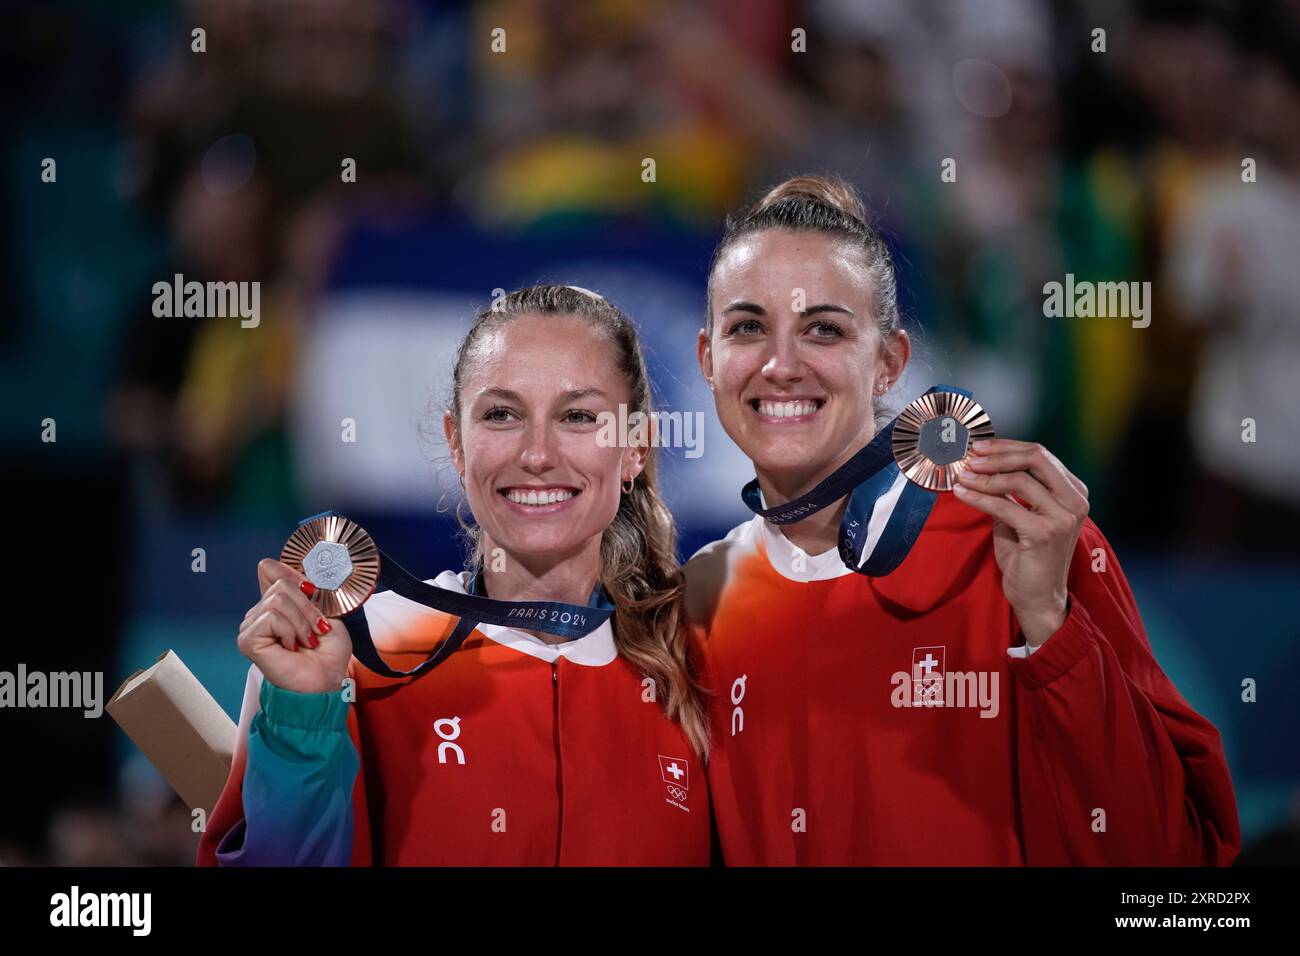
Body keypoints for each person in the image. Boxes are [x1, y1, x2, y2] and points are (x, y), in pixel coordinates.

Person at [685, 175, 1241, 865]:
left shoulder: (1018, 536)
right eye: (748, 328)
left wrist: (1048, 624)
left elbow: (1170, 862)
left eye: (823, 329)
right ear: (709, 359)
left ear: (889, 363)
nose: (781, 365)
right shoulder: (698, 599)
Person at [198, 285, 711, 866]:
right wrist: (301, 717)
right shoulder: (358, 653)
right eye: (501, 414)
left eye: (578, 416)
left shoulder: (700, 666)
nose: (537, 453)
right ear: (457, 444)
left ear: (636, 447)